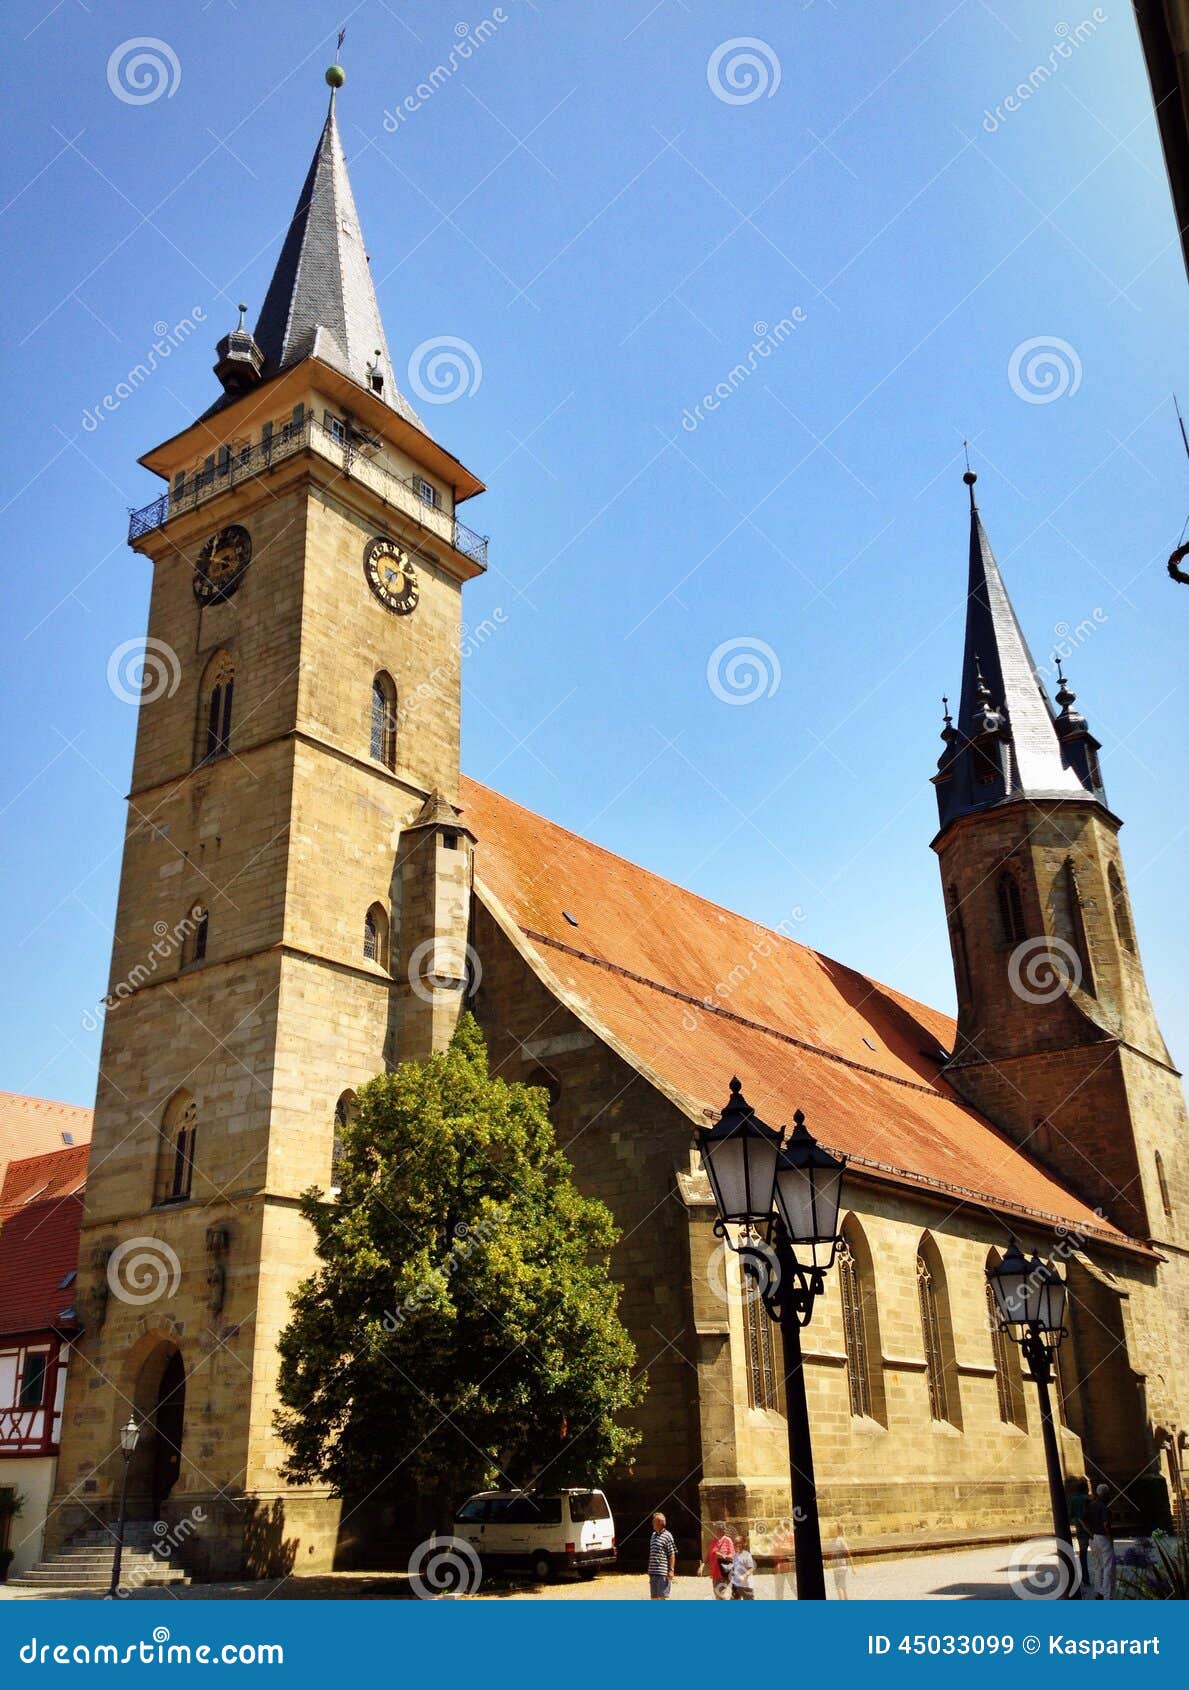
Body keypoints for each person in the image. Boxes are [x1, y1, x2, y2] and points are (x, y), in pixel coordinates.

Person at [1085, 1483, 1116, 1599]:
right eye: (1108, 1494)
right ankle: (1106, 1594)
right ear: (1104, 1494)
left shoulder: (1091, 1505)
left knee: (1098, 1565)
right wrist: (1110, 1537)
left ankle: (1098, 1591)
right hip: (1103, 1537)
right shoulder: (1103, 1506)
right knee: (1108, 1566)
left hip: (1093, 1537)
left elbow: (1082, 1519)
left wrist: (1090, 1533)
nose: (1109, 1496)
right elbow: (1105, 1524)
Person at [700, 1520, 735, 1600]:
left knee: (720, 1594)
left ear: (721, 1530)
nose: (714, 1530)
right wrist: (702, 1566)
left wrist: (722, 1556)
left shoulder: (727, 1540)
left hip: (724, 1572)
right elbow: (708, 1555)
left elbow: (732, 1556)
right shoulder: (713, 1541)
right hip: (715, 1573)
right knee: (717, 1594)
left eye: (716, 1528)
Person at [1068, 1476, 1091, 1591]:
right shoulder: (1088, 1499)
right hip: (1091, 1529)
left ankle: (1085, 1578)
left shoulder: (1074, 1499)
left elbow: (1071, 1515)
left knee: (1083, 1554)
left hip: (1079, 1529)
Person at [648, 1511, 676, 1600]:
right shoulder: (653, 1535)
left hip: (662, 1573)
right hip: (653, 1572)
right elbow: (652, 1553)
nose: (652, 1523)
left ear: (660, 1523)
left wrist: (671, 1570)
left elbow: (672, 1553)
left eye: (654, 1521)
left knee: (662, 1598)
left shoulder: (668, 1536)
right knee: (654, 1598)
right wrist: (649, 1568)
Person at [730, 1532, 756, 1600]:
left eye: (737, 1543)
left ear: (743, 1544)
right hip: (736, 1585)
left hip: (746, 1586)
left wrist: (743, 1576)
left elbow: (751, 1568)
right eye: (735, 1543)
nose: (735, 1545)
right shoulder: (735, 1555)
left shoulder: (747, 1555)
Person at [828, 1532, 855, 1599]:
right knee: (843, 1586)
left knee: (839, 1587)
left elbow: (831, 1555)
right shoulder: (840, 1540)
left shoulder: (833, 1542)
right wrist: (853, 1567)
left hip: (838, 1567)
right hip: (842, 1566)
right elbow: (848, 1553)